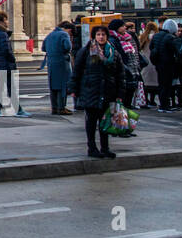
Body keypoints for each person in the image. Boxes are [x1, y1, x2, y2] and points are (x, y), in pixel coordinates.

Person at [70, 24, 124, 159]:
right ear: (94, 36)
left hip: (108, 91)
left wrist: (120, 94)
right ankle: (92, 148)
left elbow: (120, 74)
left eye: (103, 35)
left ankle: (105, 148)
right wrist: (73, 89)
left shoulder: (113, 52)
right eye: (98, 34)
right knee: (91, 122)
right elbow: (77, 70)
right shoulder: (86, 51)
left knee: (105, 122)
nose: (101, 37)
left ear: (107, 36)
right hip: (91, 90)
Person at [0, 11, 30, 117]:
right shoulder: (2, 34)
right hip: (5, 64)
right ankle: (18, 110)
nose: (7, 22)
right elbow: (6, 50)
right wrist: (12, 60)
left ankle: (0, 110)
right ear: (2, 21)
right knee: (11, 88)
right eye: (6, 20)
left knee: (0, 88)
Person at [40, 20, 74, 115]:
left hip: (51, 62)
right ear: (68, 29)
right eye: (70, 32)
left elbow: (43, 48)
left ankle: (54, 108)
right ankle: (61, 107)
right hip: (62, 62)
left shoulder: (50, 34)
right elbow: (67, 47)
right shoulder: (64, 34)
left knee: (53, 86)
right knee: (62, 85)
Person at [110, 18, 143, 109]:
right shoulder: (113, 40)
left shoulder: (127, 38)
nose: (125, 27)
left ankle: (128, 104)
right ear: (117, 28)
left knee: (131, 86)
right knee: (125, 87)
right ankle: (125, 105)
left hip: (131, 66)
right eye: (122, 26)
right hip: (124, 67)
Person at [150, 19, 179, 111]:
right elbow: (175, 50)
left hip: (158, 63)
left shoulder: (156, 36)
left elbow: (151, 47)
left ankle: (162, 104)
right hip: (168, 63)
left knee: (161, 84)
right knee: (167, 85)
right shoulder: (170, 37)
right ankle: (165, 105)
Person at [139, 24, 160, 108]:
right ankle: (152, 100)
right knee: (155, 82)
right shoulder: (156, 36)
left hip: (146, 61)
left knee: (146, 83)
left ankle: (146, 100)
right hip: (154, 61)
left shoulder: (143, 37)